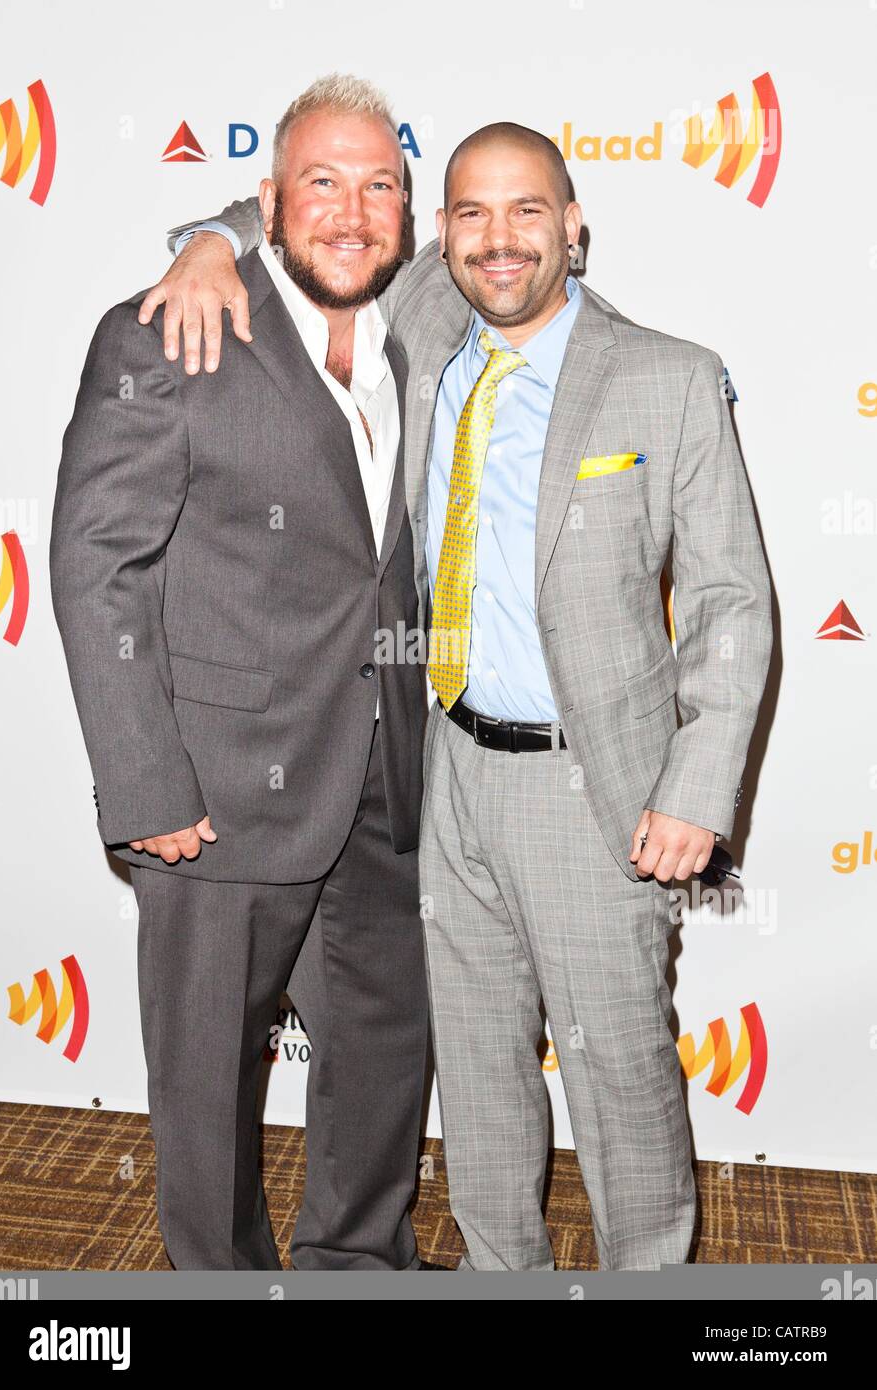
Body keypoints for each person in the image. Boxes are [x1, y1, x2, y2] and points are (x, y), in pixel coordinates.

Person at [137, 118, 773, 1270]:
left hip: (594, 793)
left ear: (574, 227)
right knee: (477, 1080)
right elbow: (313, 221)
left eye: (527, 210)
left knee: (620, 1082)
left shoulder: (668, 378)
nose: (499, 239)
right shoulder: (427, 329)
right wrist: (205, 244)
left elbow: (735, 604)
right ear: (443, 235)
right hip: (438, 776)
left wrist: (696, 788)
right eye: (471, 213)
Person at [49, 75, 438, 1271]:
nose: (351, 209)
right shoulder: (168, 325)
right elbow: (92, 560)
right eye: (321, 181)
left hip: (380, 775)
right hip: (214, 790)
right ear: (268, 201)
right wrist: (144, 781)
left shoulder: (415, 329)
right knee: (208, 1082)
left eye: (380, 185)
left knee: (381, 1051)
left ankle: (355, 1266)